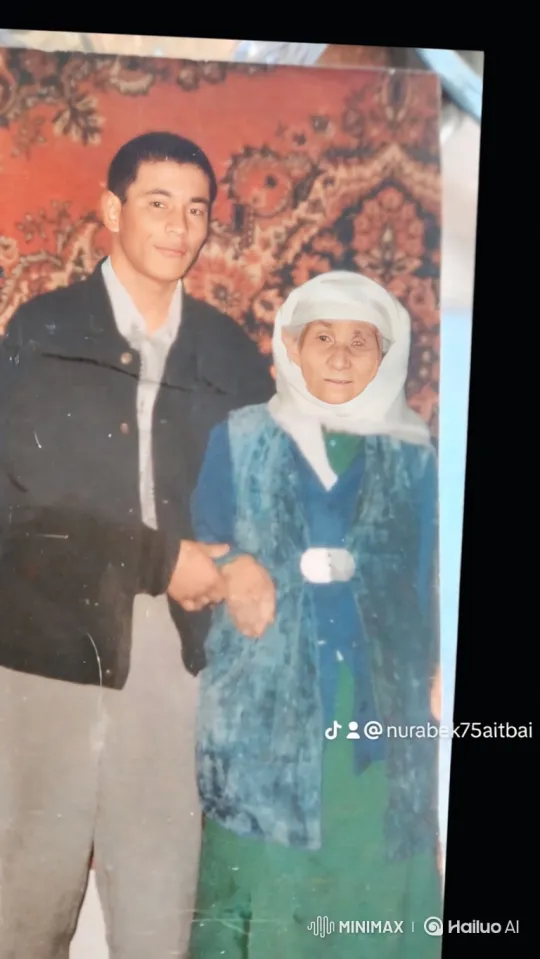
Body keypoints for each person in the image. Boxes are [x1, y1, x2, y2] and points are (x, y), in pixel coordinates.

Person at [0, 131, 274, 959]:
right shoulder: (44, 328)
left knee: (160, 909)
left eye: (196, 209)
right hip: (45, 652)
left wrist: (243, 559)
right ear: (111, 208)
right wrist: (165, 558)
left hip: (177, 661)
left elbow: (262, 494)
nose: (179, 227)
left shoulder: (228, 350)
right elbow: (26, 509)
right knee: (24, 903)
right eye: (157, 203)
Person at [188, 271, 442, 958]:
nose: (338, 355)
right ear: (290, 348)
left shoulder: (414, 454)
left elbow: (430, 579)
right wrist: (229, 567)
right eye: (321, 337)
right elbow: (200, 552)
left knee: (371, 886)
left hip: (376, 713)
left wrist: (437, 668)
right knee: (266, 884)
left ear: (385, 355)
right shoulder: (238, 437)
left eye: (360, 341)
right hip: (265, 708)